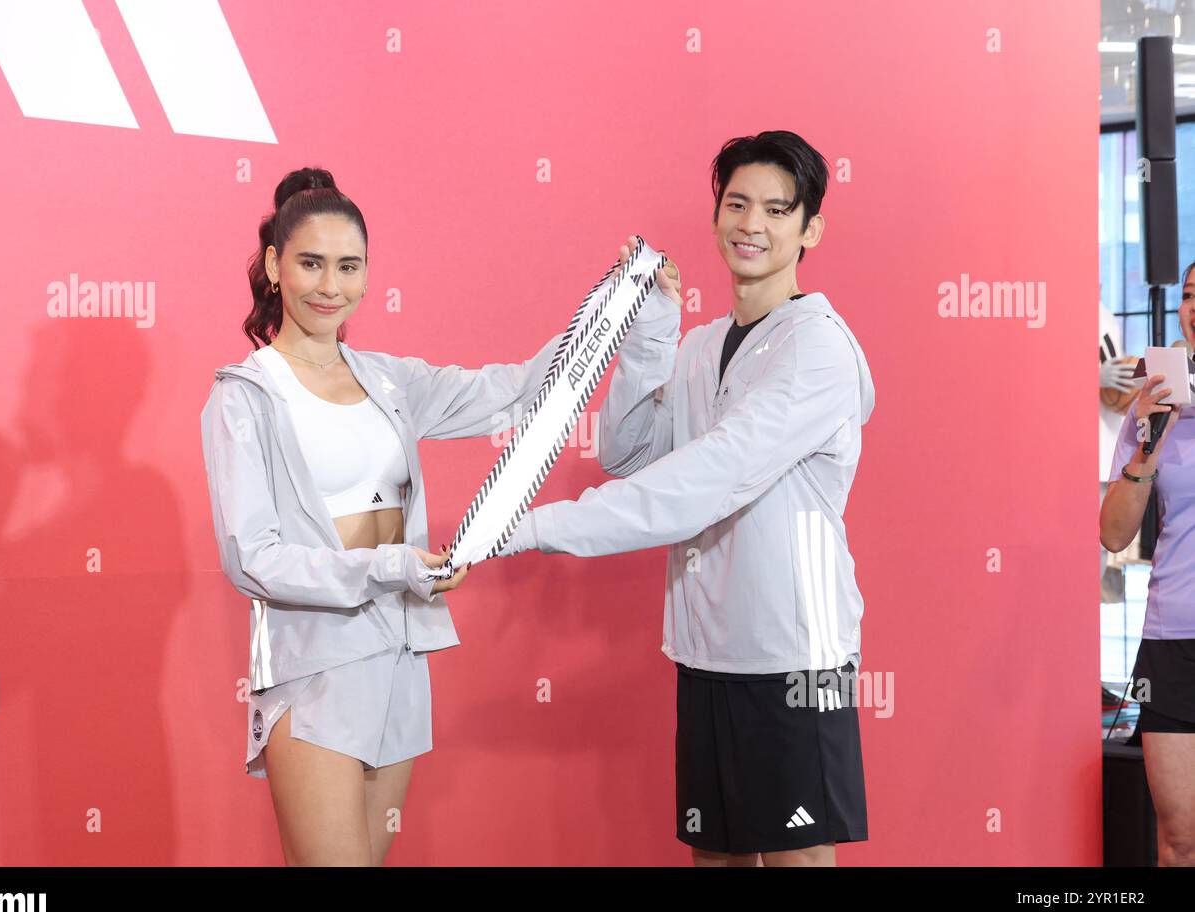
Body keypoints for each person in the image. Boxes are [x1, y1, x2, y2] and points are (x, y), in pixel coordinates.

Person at [200, 166, 679, 866]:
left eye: (348, 266)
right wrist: (395, 565)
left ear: (367, 276)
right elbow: (254, 558)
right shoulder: (243, 396)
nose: (329, 286)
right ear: (274, 266)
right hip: (315, 666)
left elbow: (516, 393)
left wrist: (617, 305)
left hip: (401, 655)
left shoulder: (390, 379)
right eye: (309, 263)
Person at [499, 131, 875, 867]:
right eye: (737, 204)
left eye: (775, 208)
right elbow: (629, 450)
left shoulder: (817, 347)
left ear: (810, 229)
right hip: (708, 644)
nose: (752, 225)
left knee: (800, 857)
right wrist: (652, 328)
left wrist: (537, 525)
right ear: (716, 217)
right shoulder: (704, 346)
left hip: (795, 649)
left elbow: (711, 476)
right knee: (717, 856)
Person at [1100, 258, 1195, 867]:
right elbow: (1113, 533)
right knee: (1178, 838)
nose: (1194, 307)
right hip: (1172, 636)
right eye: (1190, 295)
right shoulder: (1153, 409)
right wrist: (1151, 437)